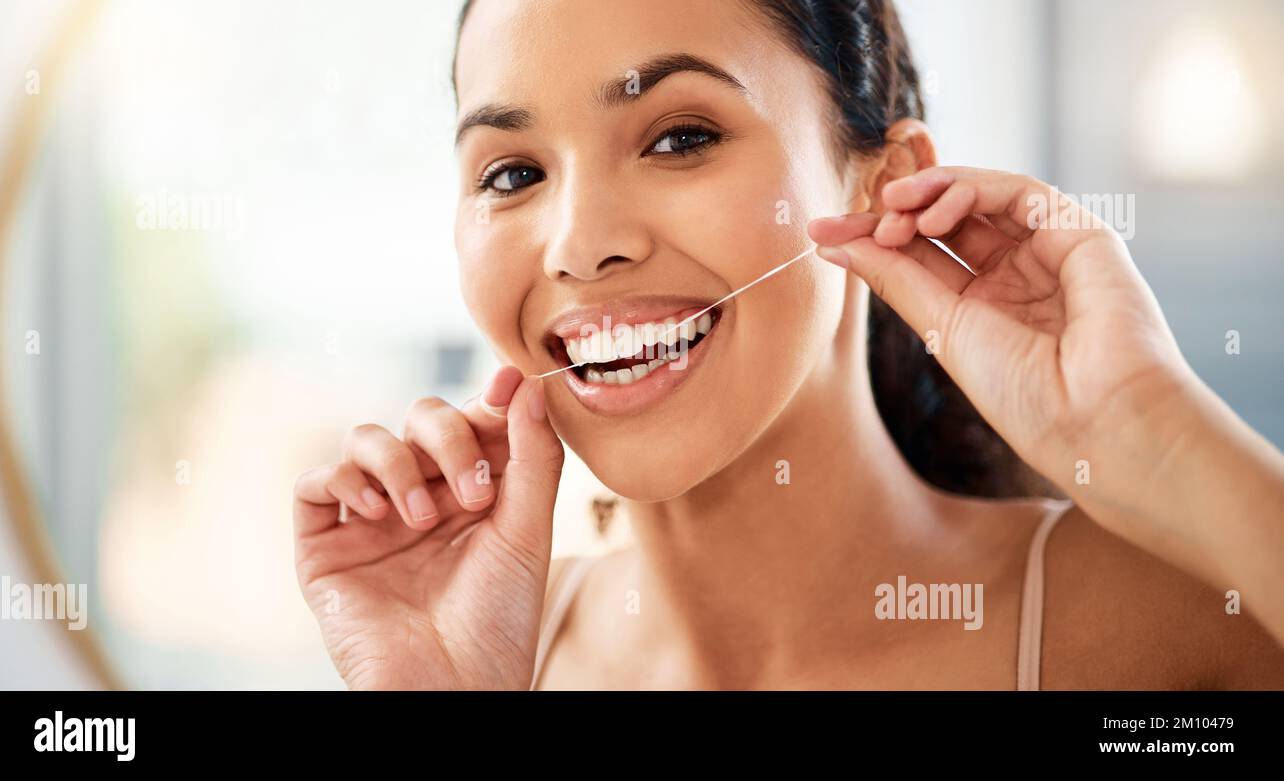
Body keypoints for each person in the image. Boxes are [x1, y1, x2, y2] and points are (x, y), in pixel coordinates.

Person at [292, 0, 1284, 689]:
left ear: (880, 182)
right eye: (510, 173)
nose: (580, 245)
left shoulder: (1160, 631)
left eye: (679, 136)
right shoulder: (487, 653)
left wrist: (1153, 431)